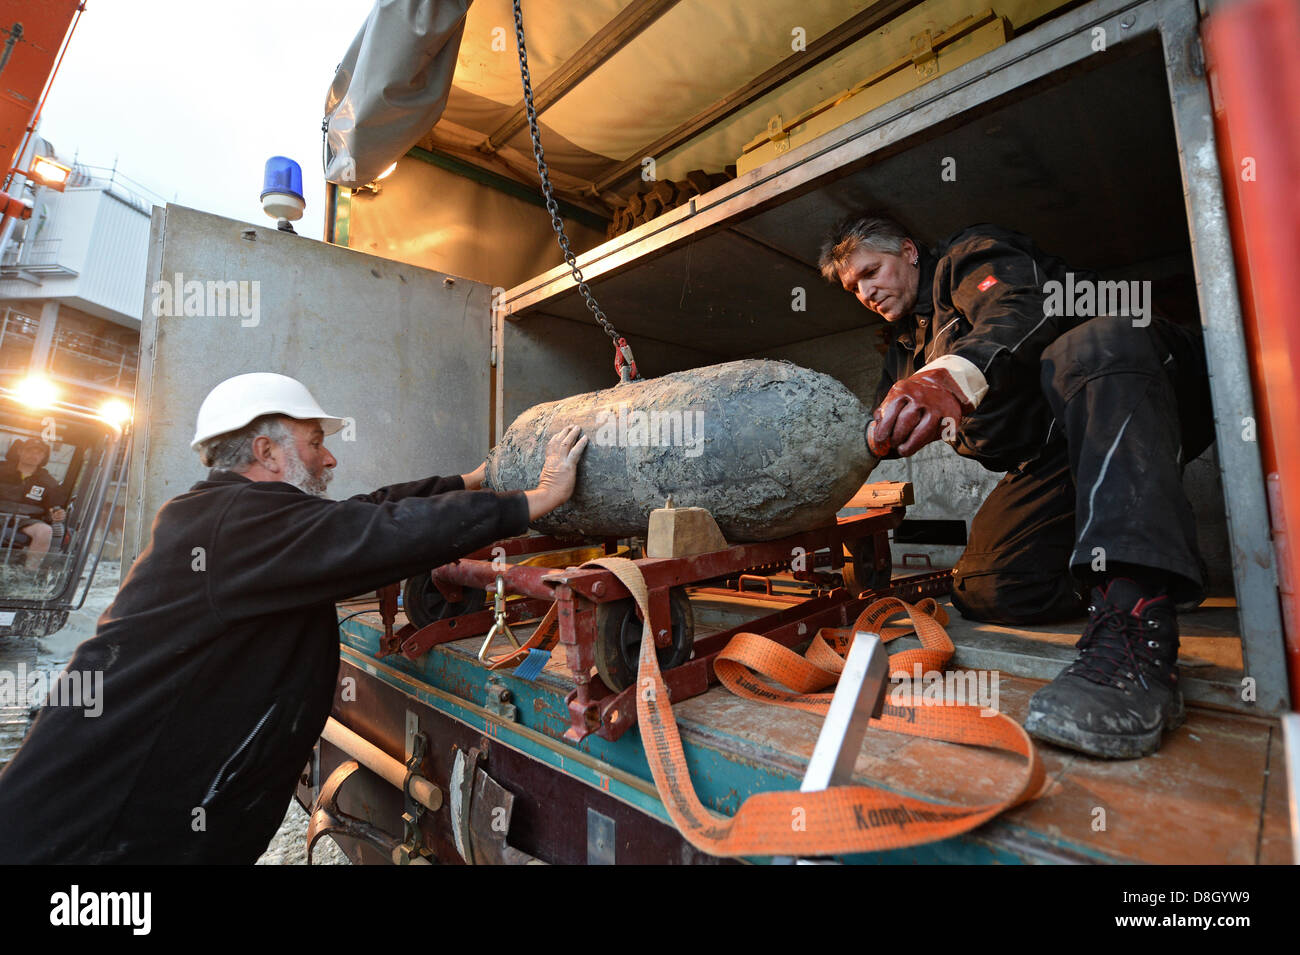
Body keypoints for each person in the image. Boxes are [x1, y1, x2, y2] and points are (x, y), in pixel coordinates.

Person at [0, 372, 588, 863]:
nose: (329, 456)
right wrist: (532, 502)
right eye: (314, 442)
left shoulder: (228, 518)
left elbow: (367, 512)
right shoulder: (230, 525)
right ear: (266, 452)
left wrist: (472, 482)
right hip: (88, 843)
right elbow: (373, 532)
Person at [819, 213, 1215, 760]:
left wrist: (947, 378)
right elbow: (875, 426)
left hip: (1138, 378)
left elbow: (1019, 309)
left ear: (909, 252)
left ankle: (1135, 617)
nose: (865, 292)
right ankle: (1126, 571)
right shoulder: (905, 349)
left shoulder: (968, 260)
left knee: (1089, 344)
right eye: (853, 287)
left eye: (871, 271)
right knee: (989, 585)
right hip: (1060, 452)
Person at [0, 438, 69, 571]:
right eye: (30, 450)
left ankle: (28, 574)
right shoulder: (1, 470)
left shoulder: (49, 483)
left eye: (39, 452)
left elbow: (54, 508)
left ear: (43, 457)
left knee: (45, 531)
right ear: (20, 451)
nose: (34, 455)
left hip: (26, 521)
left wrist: (57, 514)